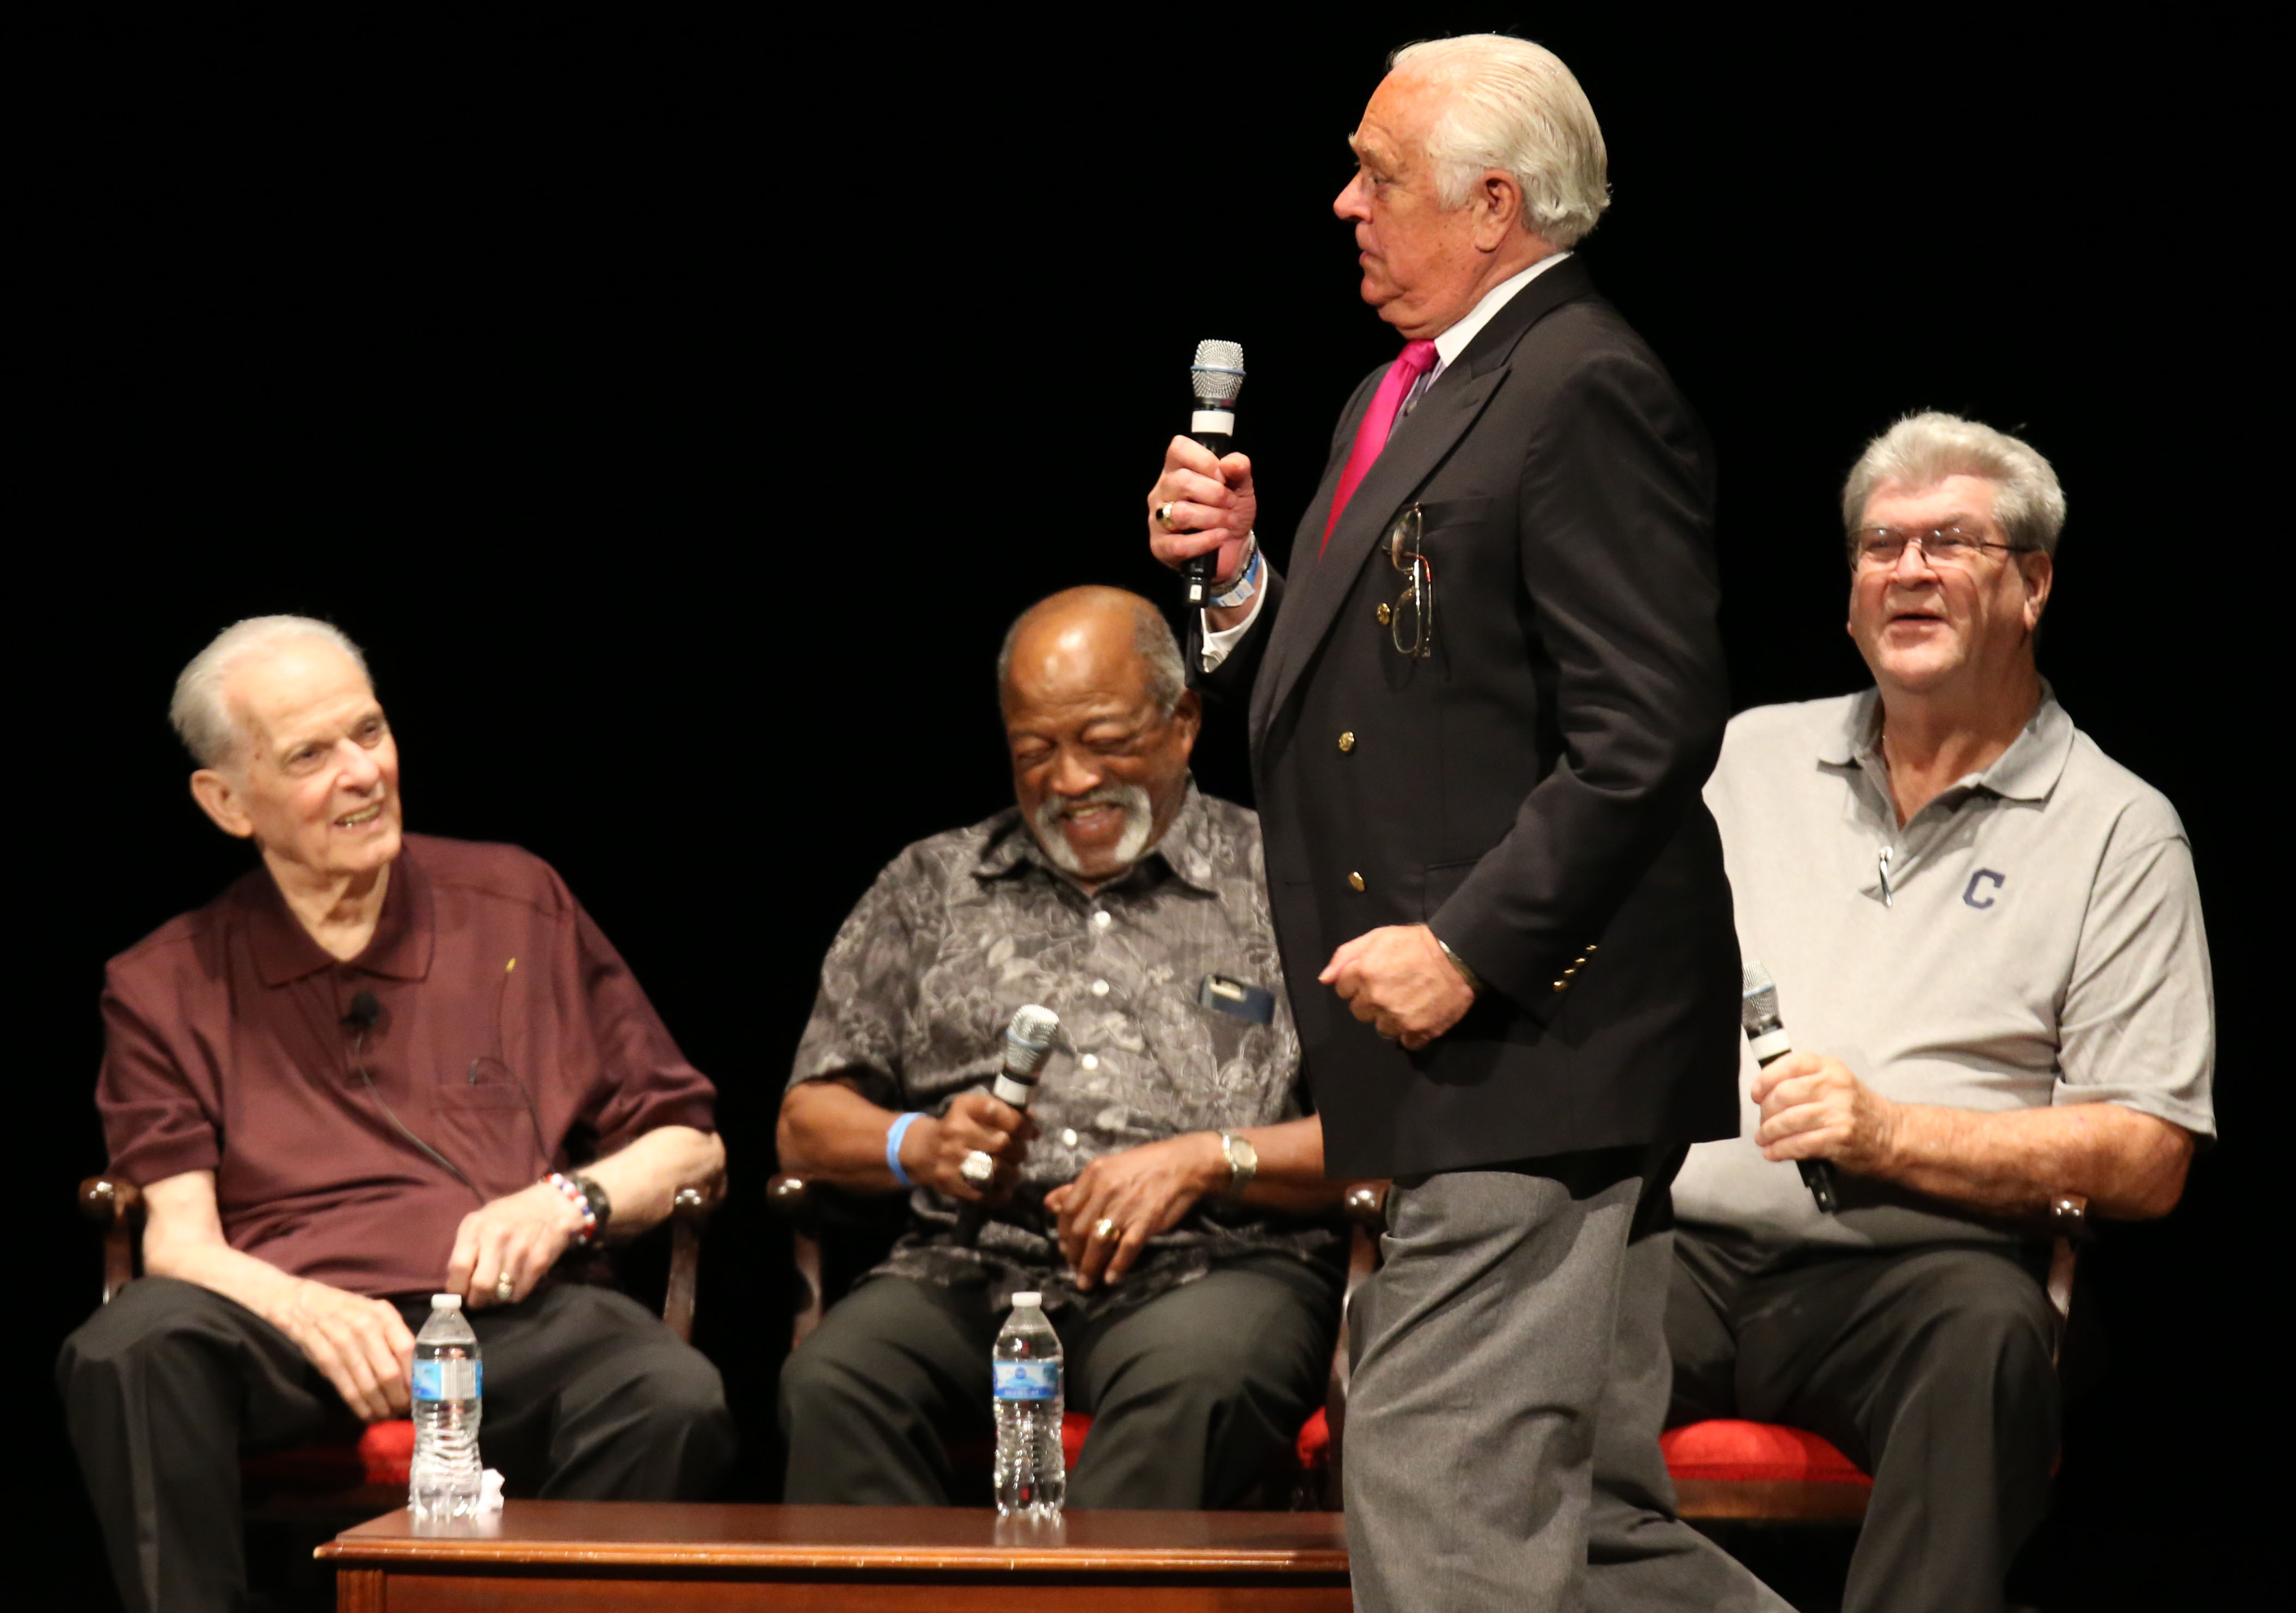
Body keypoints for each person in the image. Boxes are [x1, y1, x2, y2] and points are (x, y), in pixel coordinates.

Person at [1144, 33, 1782, 1612]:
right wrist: (1235, 591)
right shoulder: (1401, 387)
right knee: (1596, 1523)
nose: (1343, 199)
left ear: (1494, 205)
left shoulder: (1588, 385)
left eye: (1380, 172)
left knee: (1434, 1488)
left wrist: (1464, 950)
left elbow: (1646, 732)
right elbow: (1404, 691)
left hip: (1528, 1050)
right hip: (1480, 1066)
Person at [57, 615, 736, 1613]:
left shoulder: (516, 901)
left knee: (671, 1395)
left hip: (509, 1323)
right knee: (128, 1351)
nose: (361, 773)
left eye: (368, 734)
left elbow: (691, 1146)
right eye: (309, 755)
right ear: (226, 801)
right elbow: (182, 1246)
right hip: (285, 1336)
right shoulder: (164, 979)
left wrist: (565, 1202)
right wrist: (304, 1307)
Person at [1666, 412, 2215, 1613]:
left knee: (1990, 1341)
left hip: (1921, 1279)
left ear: (2033, 584)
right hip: (1689, 1258)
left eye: (1949, 543)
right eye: (1880, 545)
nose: (1906, 571)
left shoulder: (2119, 830)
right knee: (1512, 1327)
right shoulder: (1752, 758)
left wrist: (1888, 1135)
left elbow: (2147, 1154)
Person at [776, 587, 1347, 1509]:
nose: (1070, 779)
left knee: (1196, 1382)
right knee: (836, 1382)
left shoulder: (1288, 881)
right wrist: (916, 1144)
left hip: (1215, 1267)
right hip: (967, 1267)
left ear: (1183, 723)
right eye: (1034, 751)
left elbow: (1391, 1137)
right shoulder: (933, 885)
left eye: (1106, 741)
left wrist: (1207, 1160)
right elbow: (805, 1126)